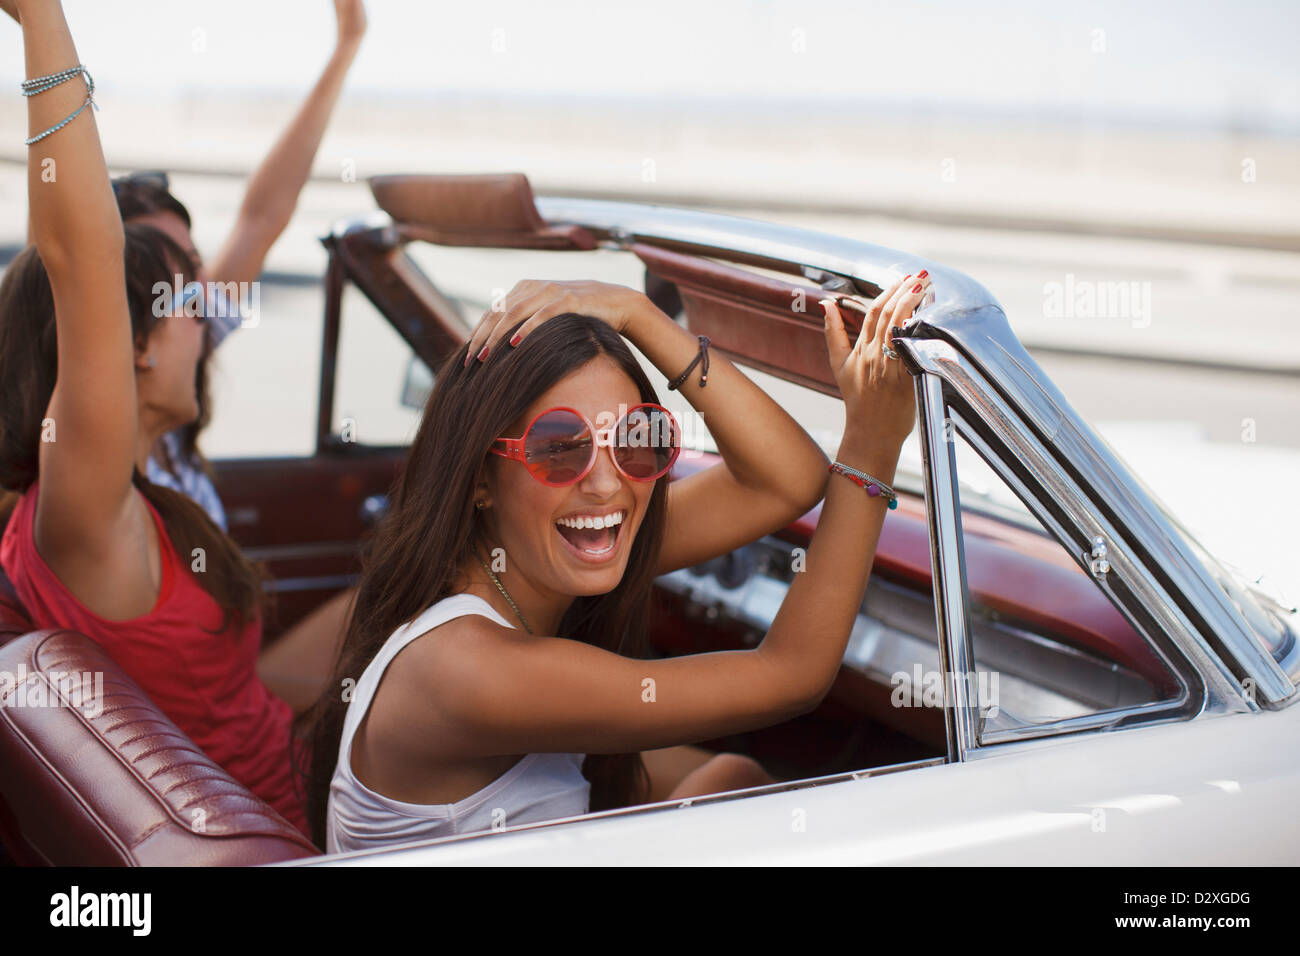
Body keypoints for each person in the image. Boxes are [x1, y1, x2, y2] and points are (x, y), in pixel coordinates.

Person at [303, 267, 929, 852]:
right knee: (731, 780)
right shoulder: (464, 668)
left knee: (723, 777)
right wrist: (872, 445)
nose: (606, 486)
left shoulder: (516, 560)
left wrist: (636, 313)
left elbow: (788, 482)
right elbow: (792, 676)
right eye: (559, 448)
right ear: (481, 480)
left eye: (637, 438)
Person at [0, 0, 309, 835]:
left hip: (297, 771)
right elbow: (80, 254)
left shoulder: (124, 501)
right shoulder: (90, 513)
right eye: (183, 305)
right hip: (284, 825)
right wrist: (40, 17)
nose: (207, 323)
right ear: (130, 344)